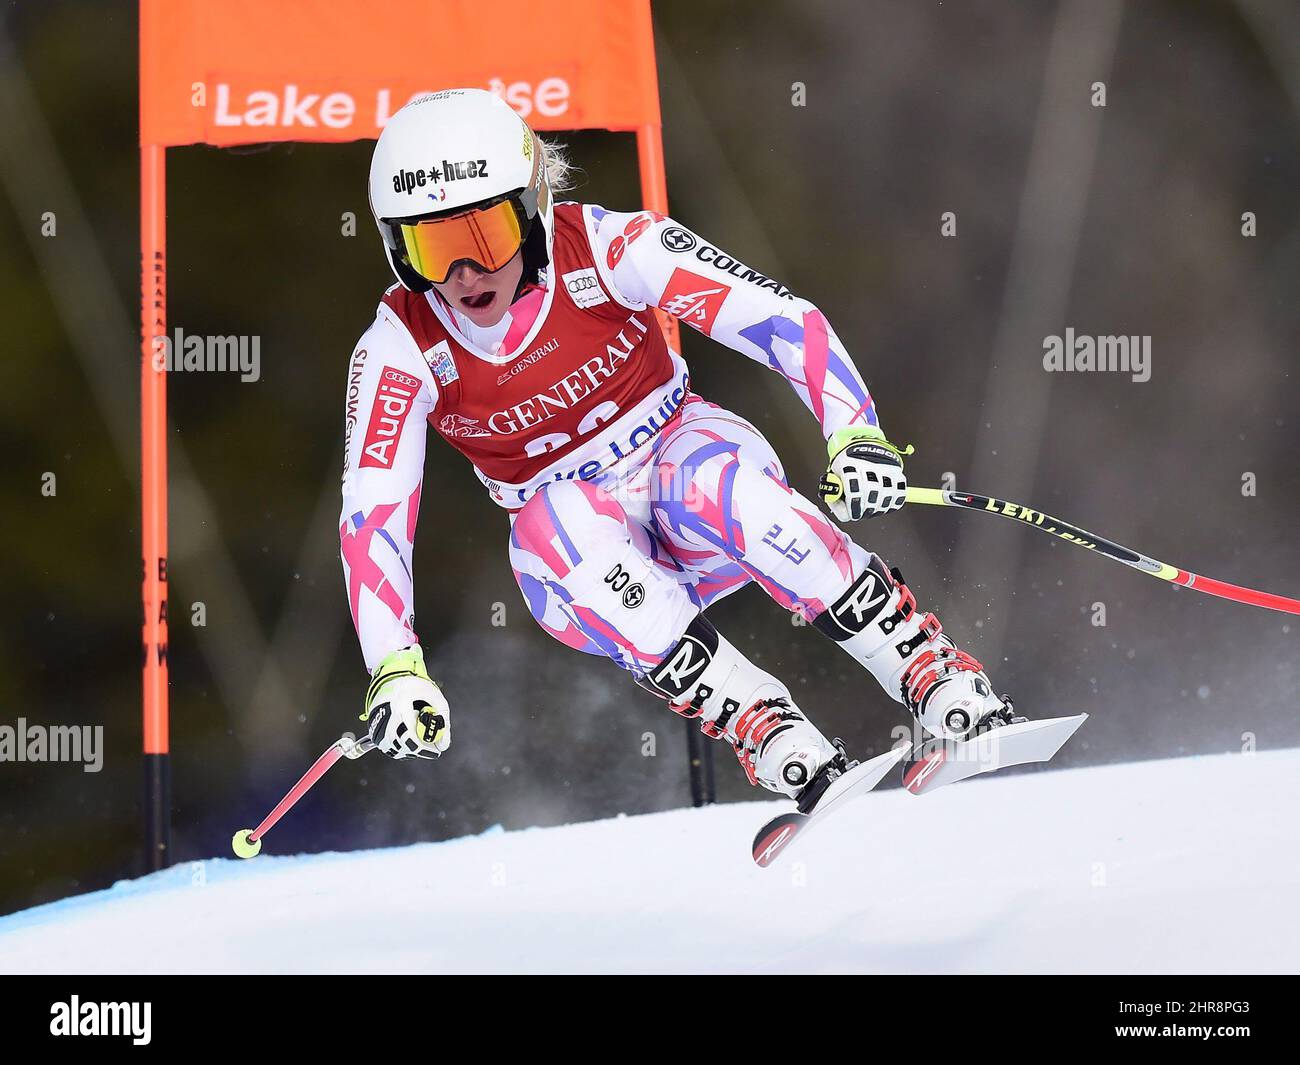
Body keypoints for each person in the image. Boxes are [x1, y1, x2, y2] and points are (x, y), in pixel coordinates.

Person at [341, 88, 1020, 802]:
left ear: (533, 210)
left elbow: (782, 320)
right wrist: (397, 666)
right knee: (546, 529)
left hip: (692, 484)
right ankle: (768, 727)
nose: (464, 276)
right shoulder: (398, 347)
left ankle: (932, 674)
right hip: (593, 567)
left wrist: (855, 433)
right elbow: (371, 513)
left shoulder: (608, 248)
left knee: (701, 475)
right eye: (432, 247)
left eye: (484, 239)